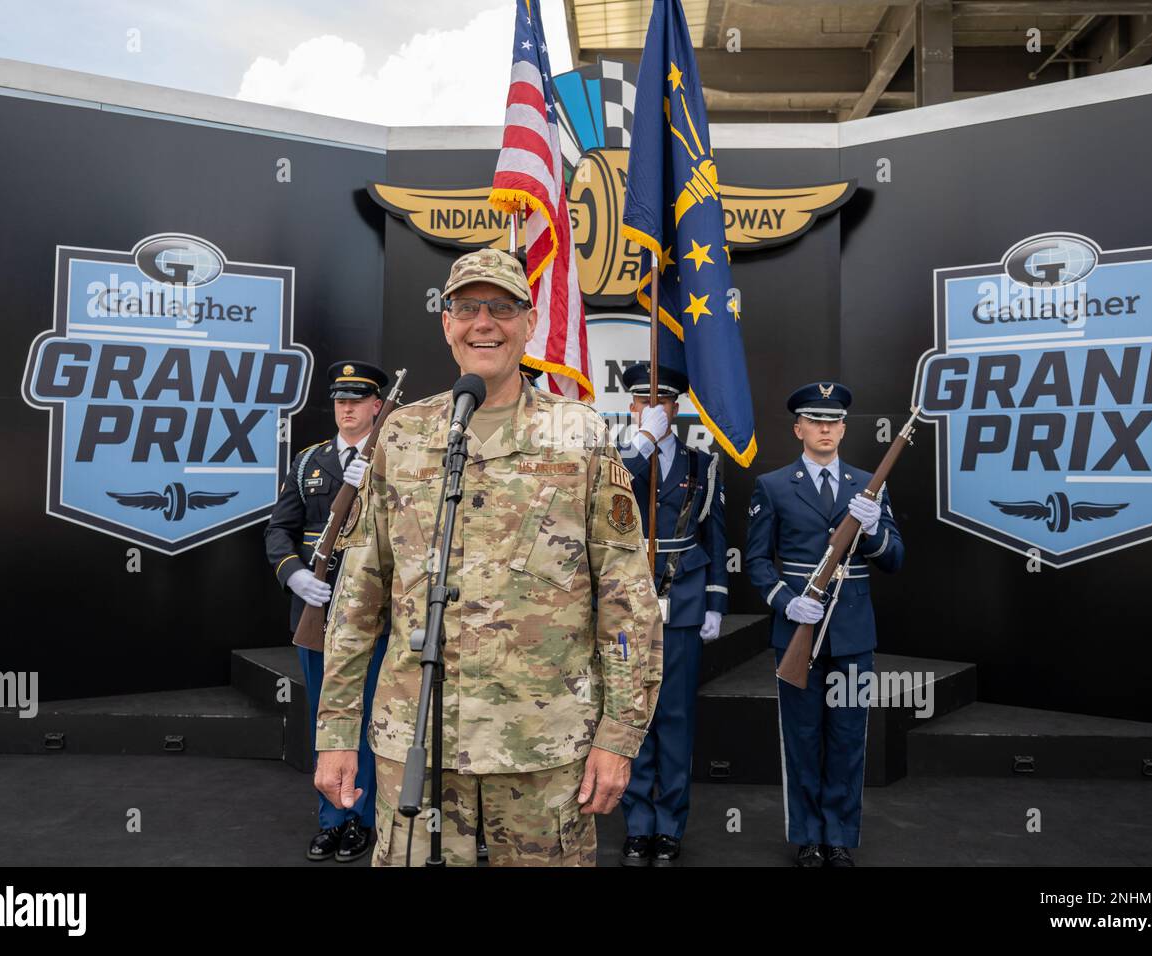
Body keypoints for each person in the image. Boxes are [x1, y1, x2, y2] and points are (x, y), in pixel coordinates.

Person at [313, 248, 663, 867]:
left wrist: (619, 734)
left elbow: (627, 600)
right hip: (415, 743)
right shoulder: (402, 434)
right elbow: (359, 596)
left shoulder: (578, 434)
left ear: (529, 324)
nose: (484, 324)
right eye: (467, 308)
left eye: (502, 308)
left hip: (542, 748)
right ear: (445, 323)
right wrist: (337, 731)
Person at [744, 382, 903, 867]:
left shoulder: (868, 486)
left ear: (843, 429)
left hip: (853, 632)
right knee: (803, 738)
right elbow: (757, 562)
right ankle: (808, 836)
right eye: (816, 421)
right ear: (798, 429)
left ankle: (839, 836)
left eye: (834, 422)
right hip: (798, 629)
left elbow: (895, 559)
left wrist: (873, 529)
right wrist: (787, 603)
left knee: (849, 740)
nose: (826, 429)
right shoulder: (773, 486)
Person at [264, 360, 391, 862]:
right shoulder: (309, 461)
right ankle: (331, 818)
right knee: (326, 715)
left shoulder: (393, 461)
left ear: (377, 406)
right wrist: (293, 574)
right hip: (316, 607)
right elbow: (279, 529)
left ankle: (362, 816)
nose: (346, 407)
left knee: (368, 717)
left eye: (357, 400)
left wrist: (377, 482)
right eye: (340, 399)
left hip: (374, 610)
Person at [616, 362, 727, 867]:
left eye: (661, 402)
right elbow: (611, 502)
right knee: (629, 714)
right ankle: (636, 825)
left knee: (676, 716)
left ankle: (669, 825)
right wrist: (641, 444)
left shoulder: (701, 463)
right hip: (625, 597)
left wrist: (716, 599)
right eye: (642, 401)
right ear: (630, 406)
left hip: (681, 593)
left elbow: (716, 534)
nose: (652, 409)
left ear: (675, 408)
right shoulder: (615, 456)